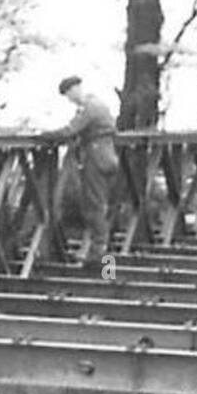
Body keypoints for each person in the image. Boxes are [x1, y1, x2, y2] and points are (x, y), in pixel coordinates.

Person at [45, 76, 119, 266]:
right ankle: (102, 254)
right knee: (97, 205)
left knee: (95, 206)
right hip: (104, 155)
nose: (69, 98)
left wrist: (46, 136)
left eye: (70, 93)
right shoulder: (96, 105)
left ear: (77, 88)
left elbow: (71, 130)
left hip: (97, 158)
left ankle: (100, 254)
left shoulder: (90, 107)